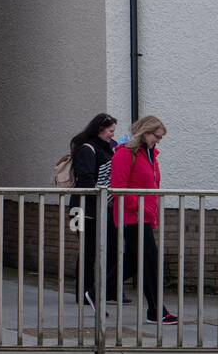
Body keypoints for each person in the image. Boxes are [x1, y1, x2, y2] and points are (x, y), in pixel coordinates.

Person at [109, 115, 176, 324]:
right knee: (150, 262)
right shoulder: (125, 154)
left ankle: (96, 292)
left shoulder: (150, 155)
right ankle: (156, 311)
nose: (159, 140)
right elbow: (118, 188)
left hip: (144, 216)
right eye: (157, 136)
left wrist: (149, 211)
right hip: (132, 217)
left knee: (134, 262)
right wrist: (138, 207)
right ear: (145, 133)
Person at [69, 113, 117, 312]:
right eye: (110, 130)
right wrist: (102, 192)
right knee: (88, 250)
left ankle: (88, 291)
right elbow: (86, 178)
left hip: (98, 207)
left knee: (96, 249)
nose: (112, 135)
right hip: (82, 208)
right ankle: (86, 291)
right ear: (100, 129)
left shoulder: (108, 148)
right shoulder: (87, 149)